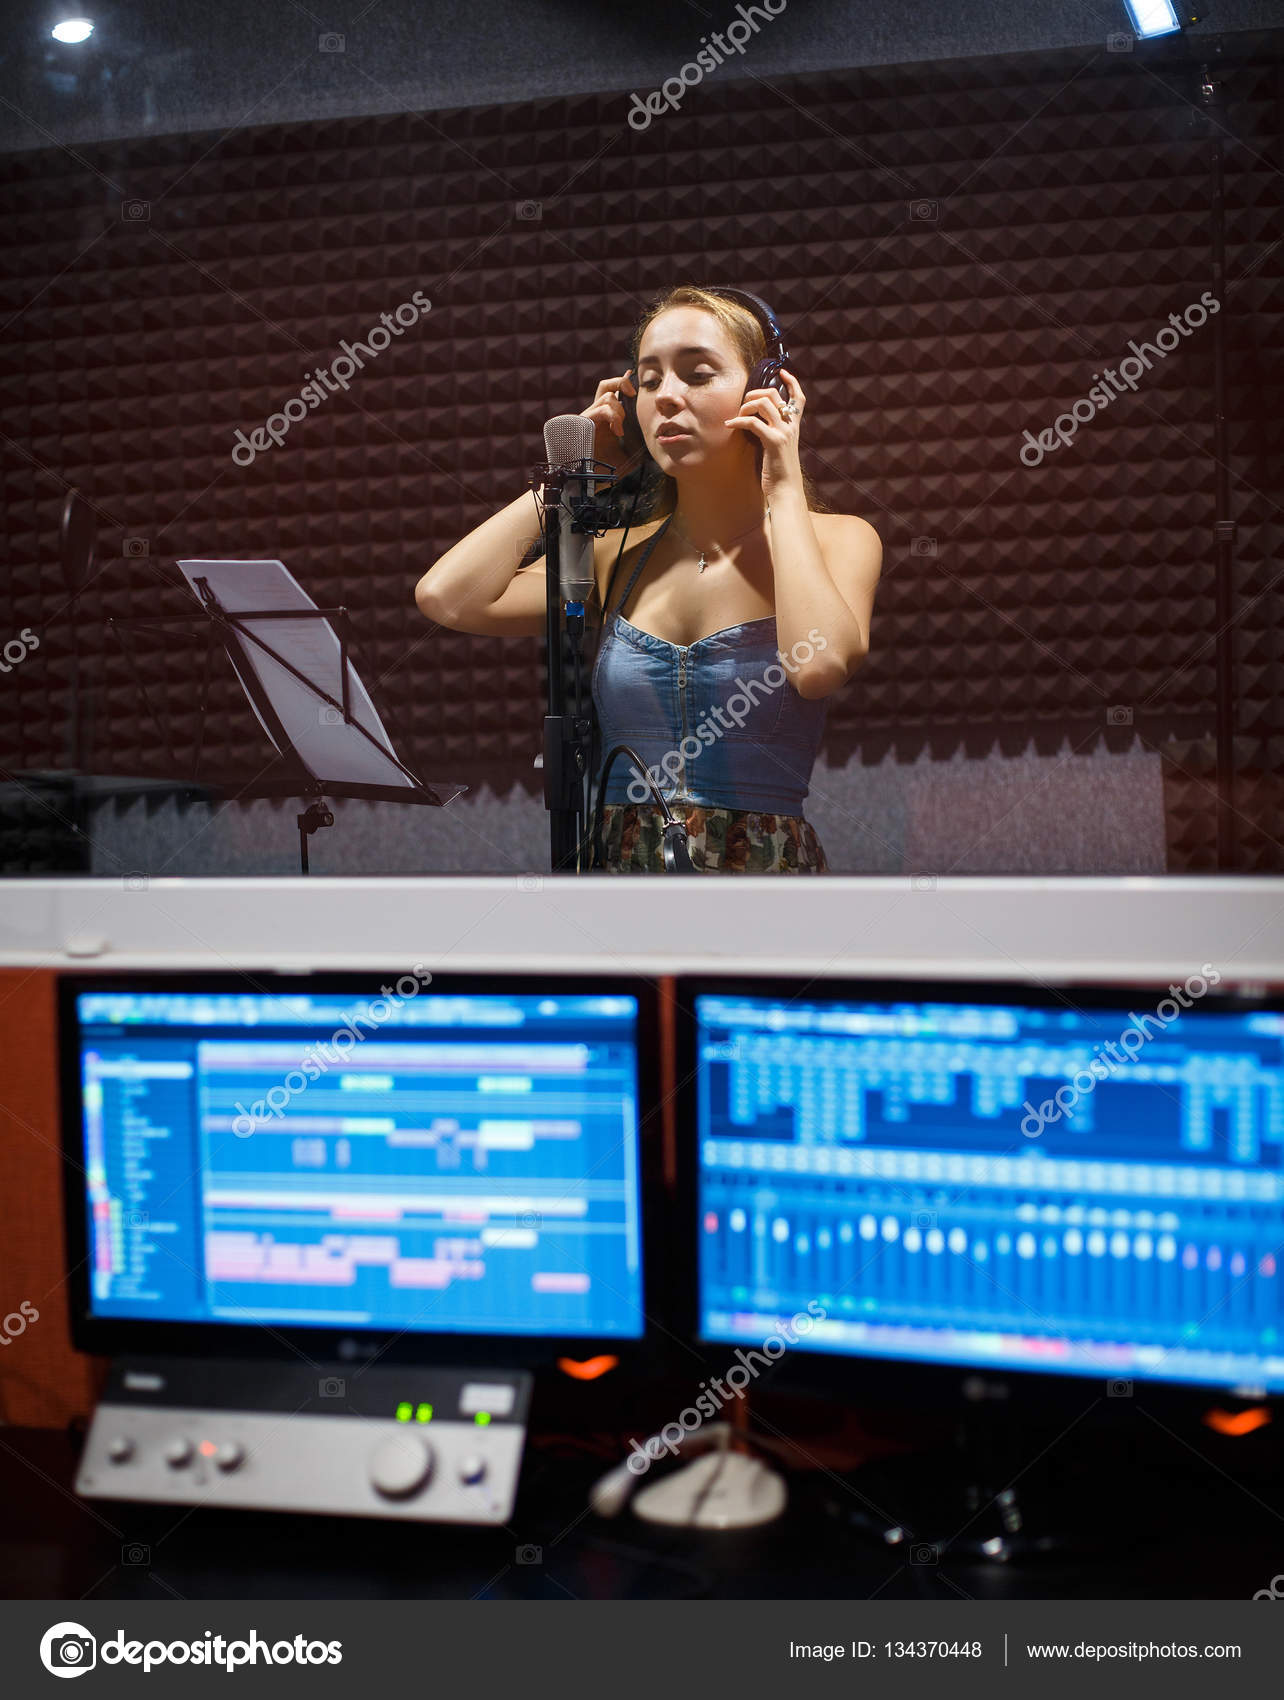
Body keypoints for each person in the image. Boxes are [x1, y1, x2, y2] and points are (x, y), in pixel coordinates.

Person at [415, 284, 881, 872]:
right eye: (651, 379)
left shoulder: (842, 540)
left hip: (765, 879)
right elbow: (445, 597)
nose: (667, 397)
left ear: (766, 390)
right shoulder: (614, 556)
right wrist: (565, 480)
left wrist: (783, 489)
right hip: (620, 879)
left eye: (698, 374)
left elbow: (818, 667)